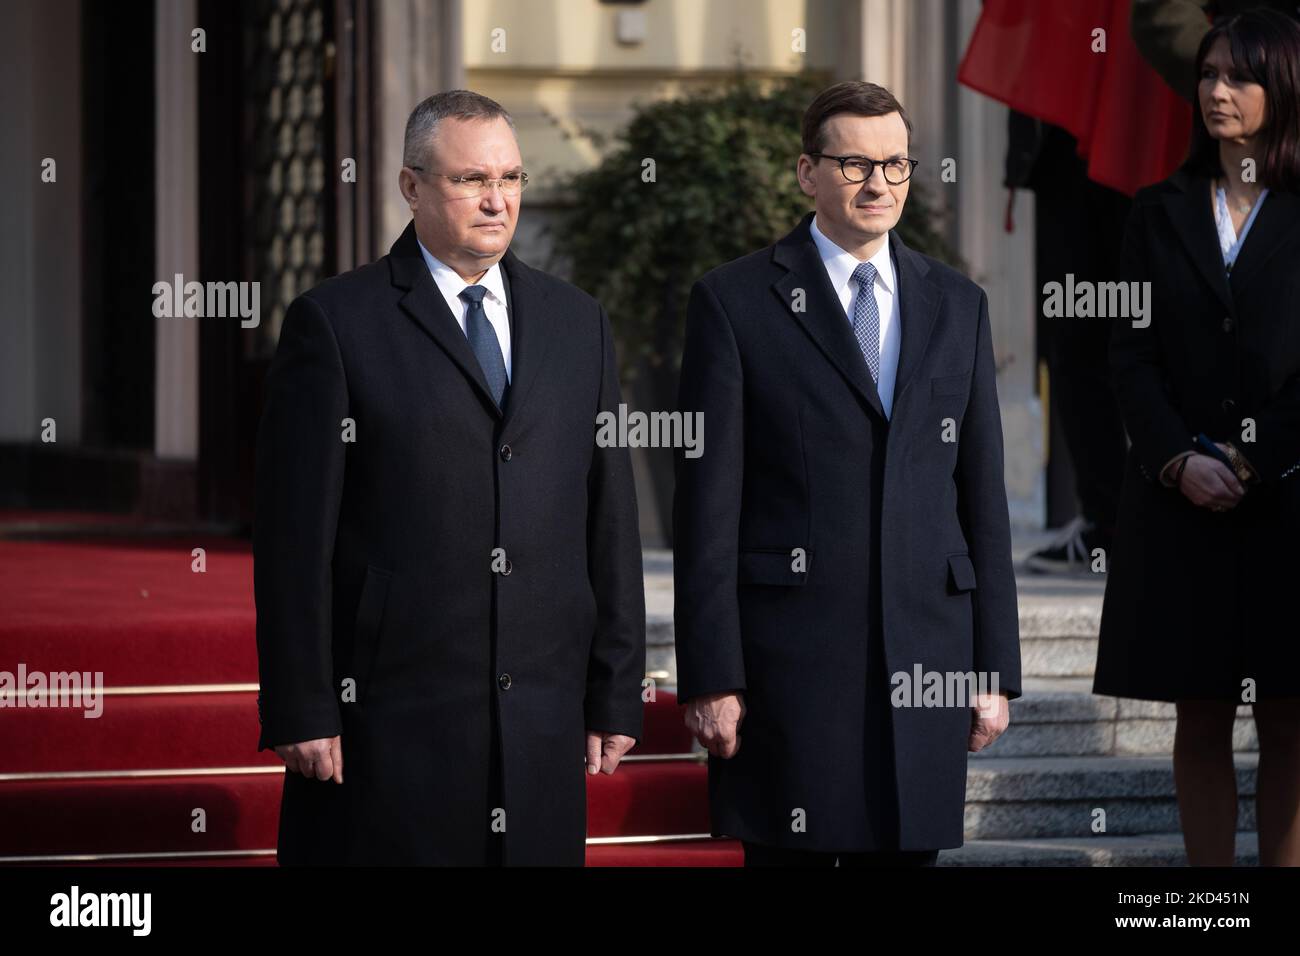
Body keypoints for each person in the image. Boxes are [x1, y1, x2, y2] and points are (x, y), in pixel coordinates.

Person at [253, 90, 646, 865]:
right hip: (392, 721)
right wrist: (303, 706)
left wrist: (615, 688)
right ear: (411, 185)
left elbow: (611, 519)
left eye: (511, 177)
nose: (497, 200)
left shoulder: (577, 323)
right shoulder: (335, 323)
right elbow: (294, 540)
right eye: (471, 180)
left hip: (540, 725)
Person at [673, 81, 1021, 866]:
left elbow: (982, 496)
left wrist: (992, 667)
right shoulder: (733, 302)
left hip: (928, 654)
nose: (879, 184)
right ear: (806, 172)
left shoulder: (957, 303)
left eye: (896, 165)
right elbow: (706, 507)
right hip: (789, 662)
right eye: (856, 163)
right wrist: (712, 675)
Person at [1095, 9, 1300, 866]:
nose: (1217, 90)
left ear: (1283, 90)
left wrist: (1251, 457)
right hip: (1179, 506)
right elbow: (1130, 354)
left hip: (1288, 502)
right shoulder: (1158, 212)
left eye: (1239, 77)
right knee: (1199, 711)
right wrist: (1179, 459)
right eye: (1209, 74)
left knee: (1290, 717)